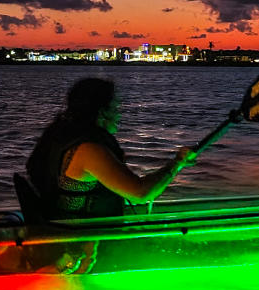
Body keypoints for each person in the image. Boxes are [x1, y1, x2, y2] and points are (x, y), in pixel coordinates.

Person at [25, 77, 198, 220]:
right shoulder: (88, 150)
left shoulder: (59, 135)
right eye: (115, 108)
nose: (119, 115)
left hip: (66, 232)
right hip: (85, 241)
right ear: (101, 112)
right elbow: (140, 193)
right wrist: (177, 163)